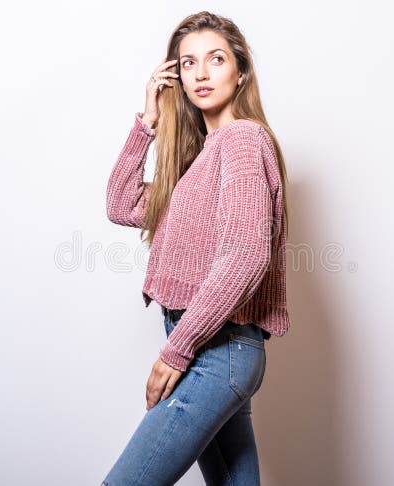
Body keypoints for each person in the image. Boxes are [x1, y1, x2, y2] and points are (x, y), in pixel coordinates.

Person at [102, 11, 291, 486]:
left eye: (216, 59)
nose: (201, 73)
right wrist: (147, 121)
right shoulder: (200, 160)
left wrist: (175, 350)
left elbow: (247, 256)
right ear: (177, 77)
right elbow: (122, 205)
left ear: (241, 71)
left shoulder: (242, 140)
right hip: (217, 349)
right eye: (188, 63)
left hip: (215, 349)